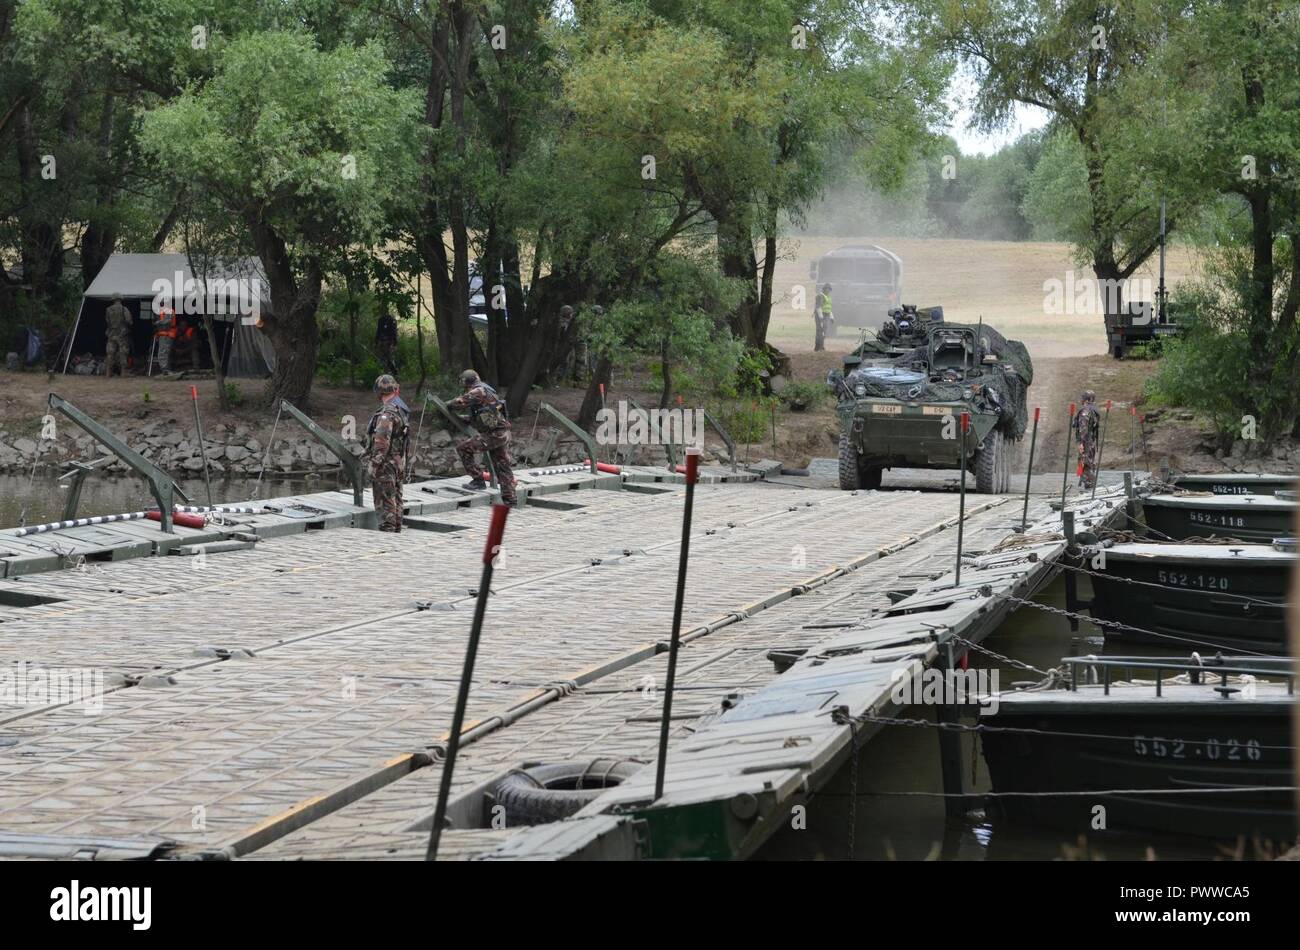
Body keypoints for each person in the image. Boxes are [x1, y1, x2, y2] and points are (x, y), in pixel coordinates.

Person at [446, 368, 518, 507]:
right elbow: (482, 415)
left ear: (466, 382)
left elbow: (459, 403)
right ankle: (510, 501)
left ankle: (478, 480)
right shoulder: (487, 390)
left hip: (494, 434)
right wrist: (464, 418)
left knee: (463, 448)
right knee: (503, 468)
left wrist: (447, 405)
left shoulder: (478, 391)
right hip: (501, 433)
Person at [366, 374, 410, 532]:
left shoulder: (387, 413)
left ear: (378, 392)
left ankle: (387, 534)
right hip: (397, 461)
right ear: (395, 390)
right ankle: (396, 531)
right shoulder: (400, 410)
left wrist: (374, 464)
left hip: (386, 464)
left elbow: (382, 442)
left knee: (385, 502)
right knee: (396, 499)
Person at [1072, 390, 1101, 491]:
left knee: (1085, 464)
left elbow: (1083, 428)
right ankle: (1088, 485)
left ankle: (1090, 486)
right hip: (1091, 441)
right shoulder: (1094, 410)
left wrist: (1081, 443)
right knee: (1087, 463)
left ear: (1085, 399)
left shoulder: (1085, 411)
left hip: (1086, 441)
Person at [104, 295, 132, 378]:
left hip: (111, 334)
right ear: (120, 299)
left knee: (110, 353)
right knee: (123, 353)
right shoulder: (124, 309)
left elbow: (107, 321)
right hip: (122, 334)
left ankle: (108, 372)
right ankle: (123, 372)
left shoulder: (108, 309)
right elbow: (129, 321)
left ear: (113, 300)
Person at [154, 304, 177, 374]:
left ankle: (165, 370)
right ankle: (166, 369)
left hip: (166, 334)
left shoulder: (167, 311)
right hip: (164, 334)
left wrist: (157, 323)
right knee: (165, 352)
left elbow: (167, 322)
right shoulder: (163, 311)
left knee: (163, 353)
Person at [375, 307, 398, 375]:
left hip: (389, 342)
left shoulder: (391, 320)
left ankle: (393, 372)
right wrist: (376, 341)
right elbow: (378, 331)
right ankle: (384, 372)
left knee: (389, 358)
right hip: (382, 341)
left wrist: (393, 343)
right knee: (382, 358)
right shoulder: (381, 320)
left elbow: (394, 333)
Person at [814, 283, 833, 352]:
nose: (828, 290)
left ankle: (819, 347)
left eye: (829, 289)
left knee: (823, 331)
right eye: (826, 289)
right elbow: (818, 307)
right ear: (824, 289)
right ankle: (819, 347)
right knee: (820, 331)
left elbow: (829, 308)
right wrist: (821, 317)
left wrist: (831, 317)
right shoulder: (820, 296)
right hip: (820, 316)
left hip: (826, 315)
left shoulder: (828, 297)